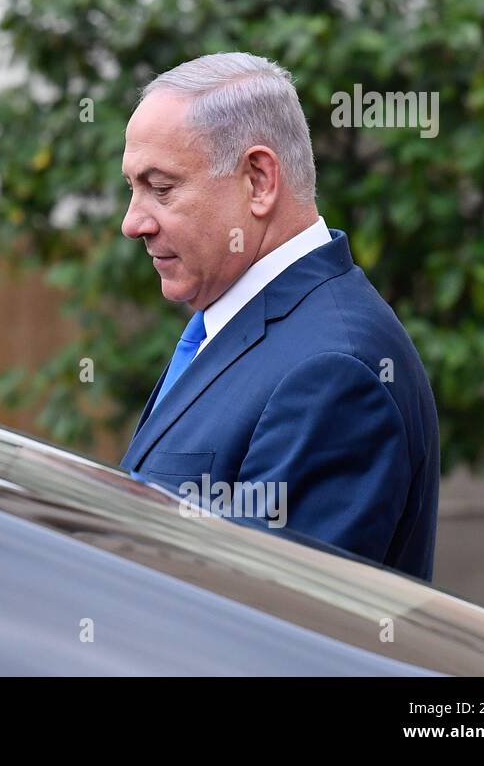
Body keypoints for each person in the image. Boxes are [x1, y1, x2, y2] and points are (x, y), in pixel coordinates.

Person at [118, 52, 439, 581]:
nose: (133, 223)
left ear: (259, 180)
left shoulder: (333, 370)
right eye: (133, 188)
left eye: (162, 188)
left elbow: (266, 635)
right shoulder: (242, 325)